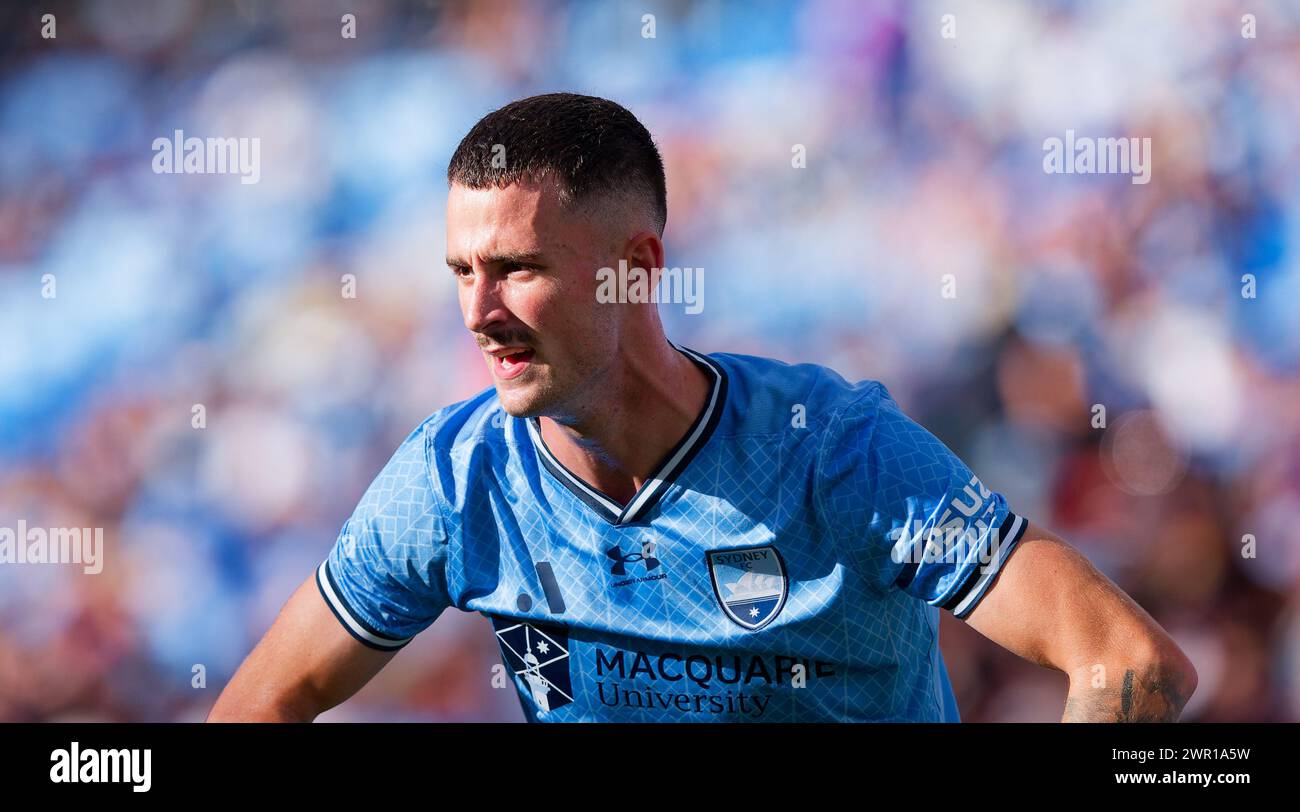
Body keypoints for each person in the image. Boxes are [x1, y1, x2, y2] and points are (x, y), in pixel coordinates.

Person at [208, 93, 1197, 722]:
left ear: (636, 268)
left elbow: (1127, 661)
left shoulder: (832, 451)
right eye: (462, 271)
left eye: (517, 270)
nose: (479, 312)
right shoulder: (453, 482)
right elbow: (263, 701)